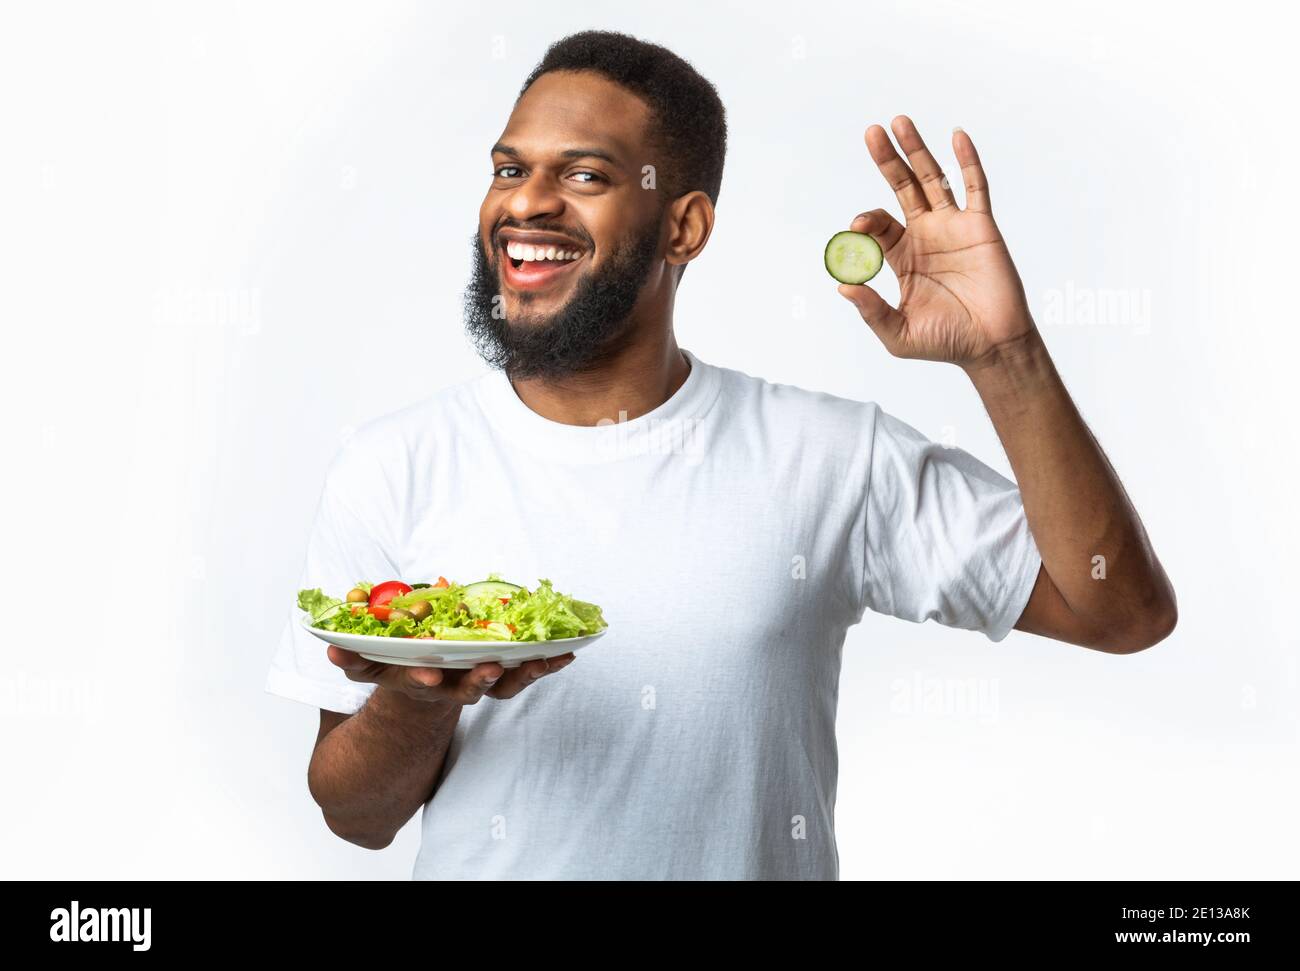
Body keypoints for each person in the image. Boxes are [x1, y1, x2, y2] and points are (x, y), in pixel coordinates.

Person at [266, 30, 1176, 880]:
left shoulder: (828, 456)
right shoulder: (394, 463)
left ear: (684, 228)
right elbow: (356, 815)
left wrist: (1002, 356)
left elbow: (1122, 611)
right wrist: (421, 697)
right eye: (510, 167)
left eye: (583, 174)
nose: (525, 200)